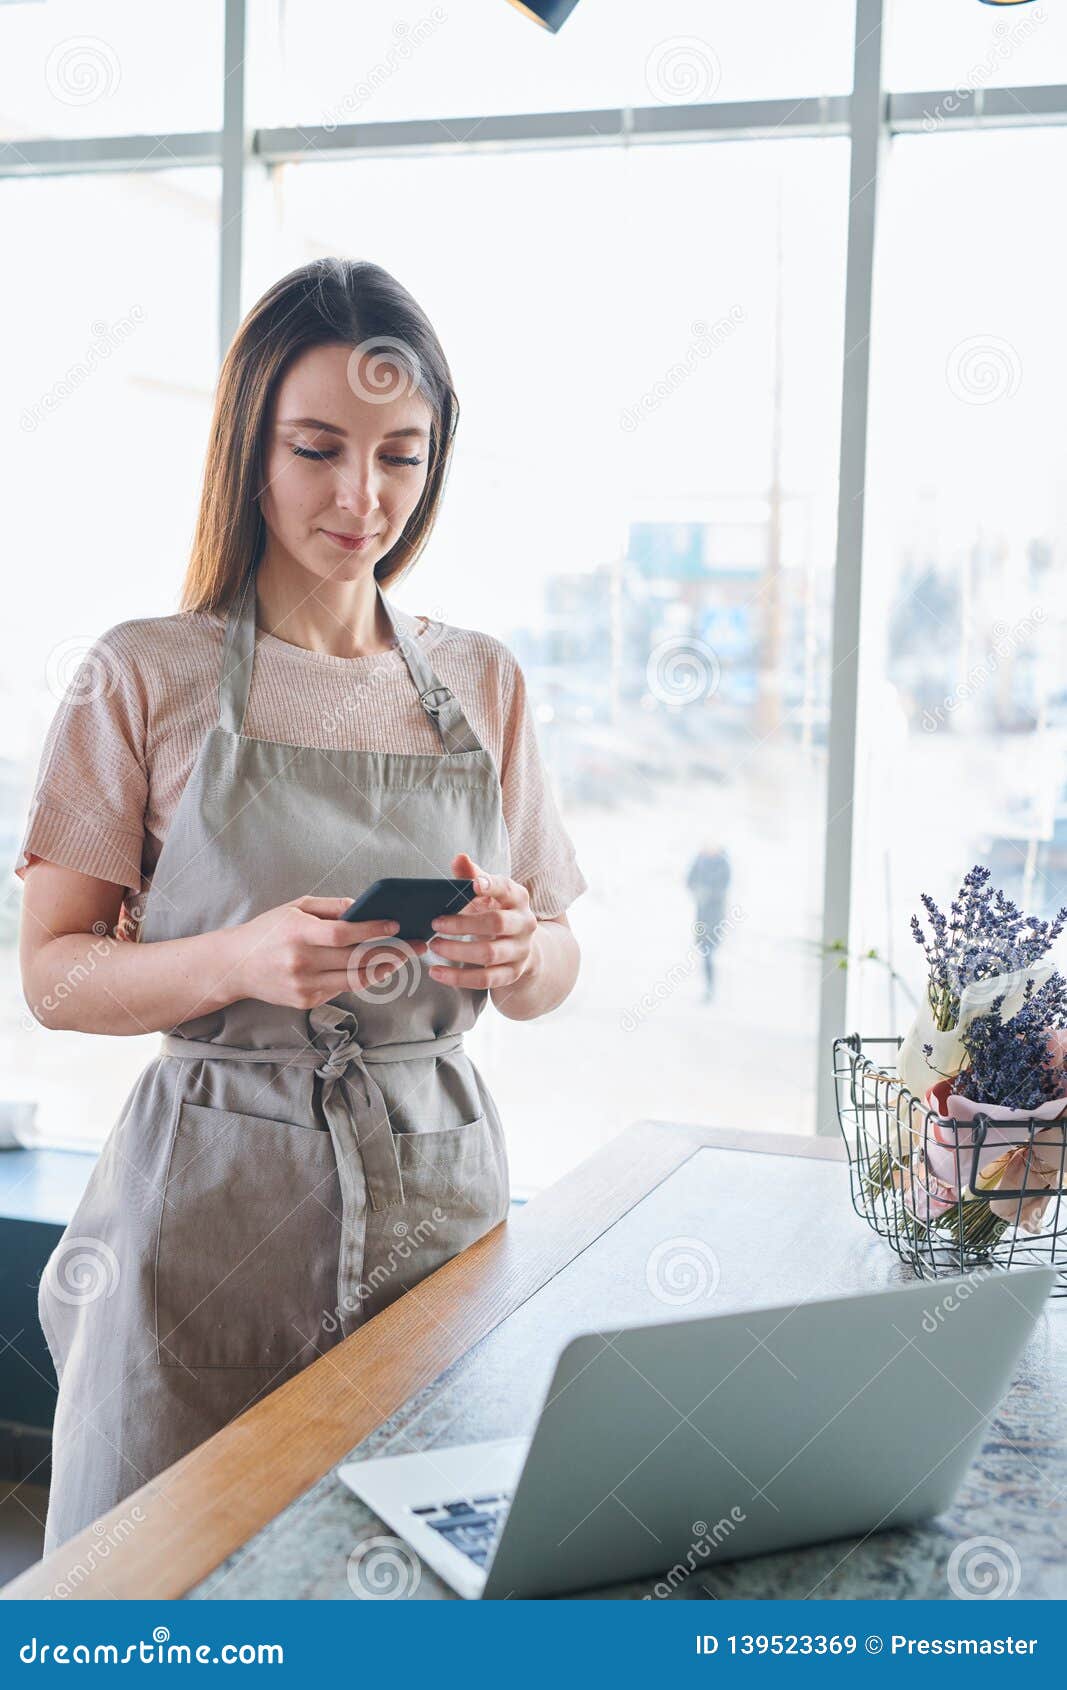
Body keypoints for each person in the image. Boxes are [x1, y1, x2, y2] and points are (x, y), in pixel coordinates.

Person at [16, 257, 587, 1554]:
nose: (360, 496)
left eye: (399, 454)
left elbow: (556, 958)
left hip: (436, 1195)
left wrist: (518, 951)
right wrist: (238, 958)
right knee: (165, 1575)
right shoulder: (141, 674)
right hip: (206, 1201)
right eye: (318, 447)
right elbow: (50, 974)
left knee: (402, 1576)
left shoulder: (479, 681)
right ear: (250, 448)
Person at [686, 841, 731, 1002]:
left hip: (716, 915)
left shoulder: (723, 864)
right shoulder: (699, 862)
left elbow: (723, 886)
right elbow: (689, 881)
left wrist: (709, 893)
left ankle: (711, 987)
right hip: (701, 915)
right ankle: (708, 986)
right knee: (702, 948)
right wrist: (698, 891)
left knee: (709, 950)